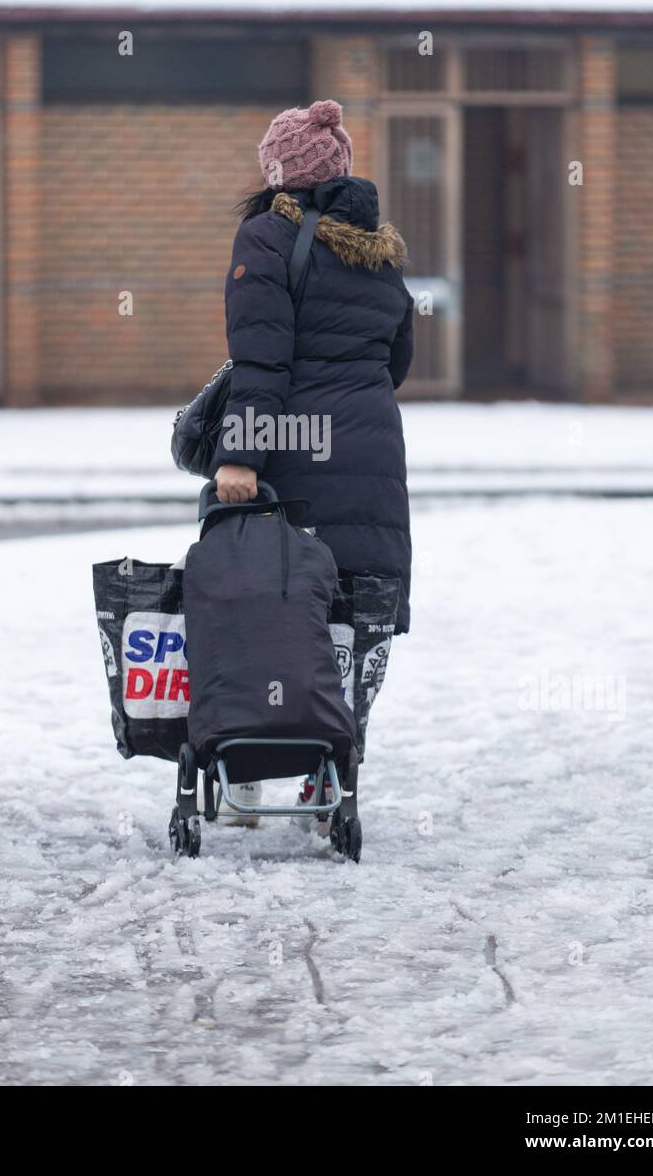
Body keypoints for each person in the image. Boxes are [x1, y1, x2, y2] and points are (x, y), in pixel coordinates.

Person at [212, 99, 414, 825]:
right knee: (356, 615)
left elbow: (260, 361)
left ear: (278, 173)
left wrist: (239, 455)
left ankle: (246, 776)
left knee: (269, 606)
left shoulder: (267, 239)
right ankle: (334, 778)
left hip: (294, 455)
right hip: (373, 450)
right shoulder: (381, 250)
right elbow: (397, 362)